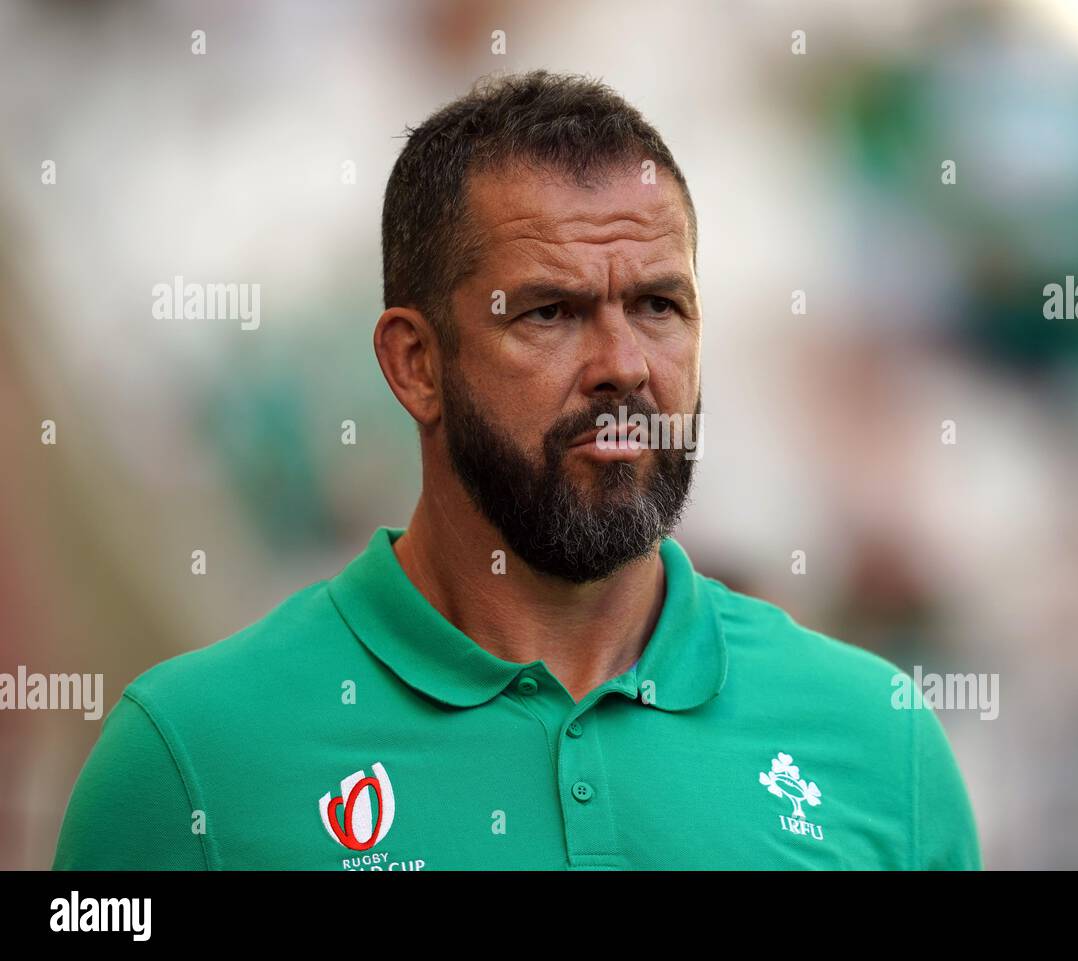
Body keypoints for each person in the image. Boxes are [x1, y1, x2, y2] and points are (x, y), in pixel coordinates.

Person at [53, 70, 980, 870]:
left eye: (659, 304)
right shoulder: (192, 759)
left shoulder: (876, 739)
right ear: (416, 363)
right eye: (549, 312)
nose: (624, 363)